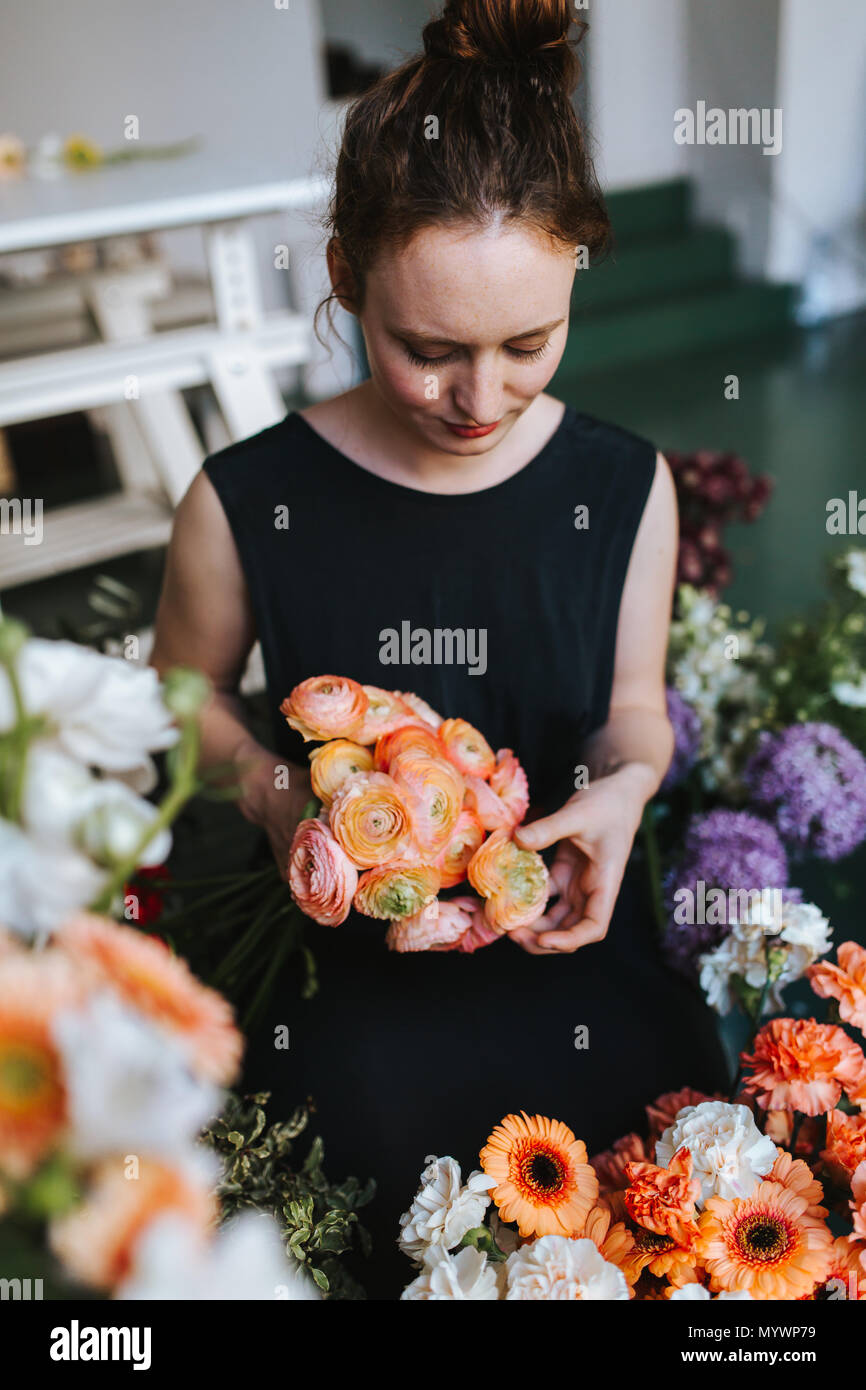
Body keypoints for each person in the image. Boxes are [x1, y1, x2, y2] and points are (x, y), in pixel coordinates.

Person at [152, 0, 729, 1298]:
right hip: (352, 968)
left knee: (669, 1203)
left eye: (528, 344)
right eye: (426, 352)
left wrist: (626, 790)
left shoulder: (624, 484)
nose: (478, 399)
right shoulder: (245, 497)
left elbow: (632, 711)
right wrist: (273, 793)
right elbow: (177, 691)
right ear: (345, 277)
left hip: (571, 946)